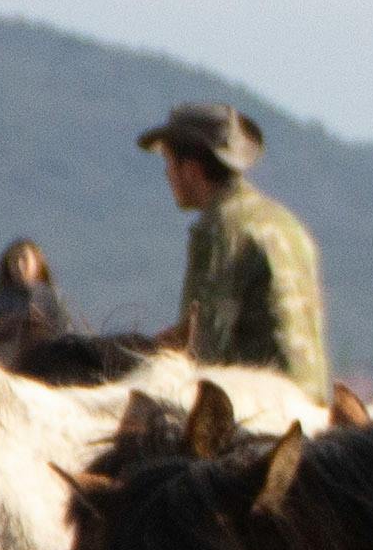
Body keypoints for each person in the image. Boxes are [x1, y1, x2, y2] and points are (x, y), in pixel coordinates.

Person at [139, 102, 327, 393]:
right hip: (311, 402)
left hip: (261, 408)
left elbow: (202, 350)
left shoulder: (220, 228)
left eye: (168, 161)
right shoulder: (287, 222)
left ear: (190, 169)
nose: (166, 174)